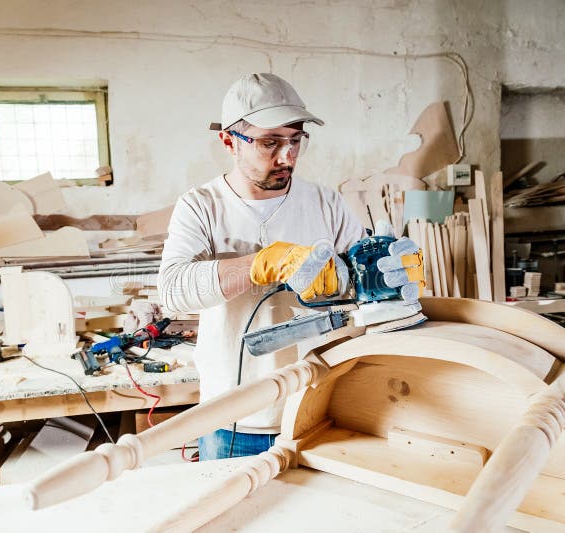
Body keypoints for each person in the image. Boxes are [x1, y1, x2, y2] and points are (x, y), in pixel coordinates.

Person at [158, 73, 423, 460]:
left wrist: (383, 274)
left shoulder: (325, 203)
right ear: (229, 141)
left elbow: (360, 285)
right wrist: (262, 263)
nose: (288, 156)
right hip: (233, 420)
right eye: (269, 142)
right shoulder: (201, 206)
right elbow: (173, 292)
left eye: (295, 140)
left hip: (316, 409)